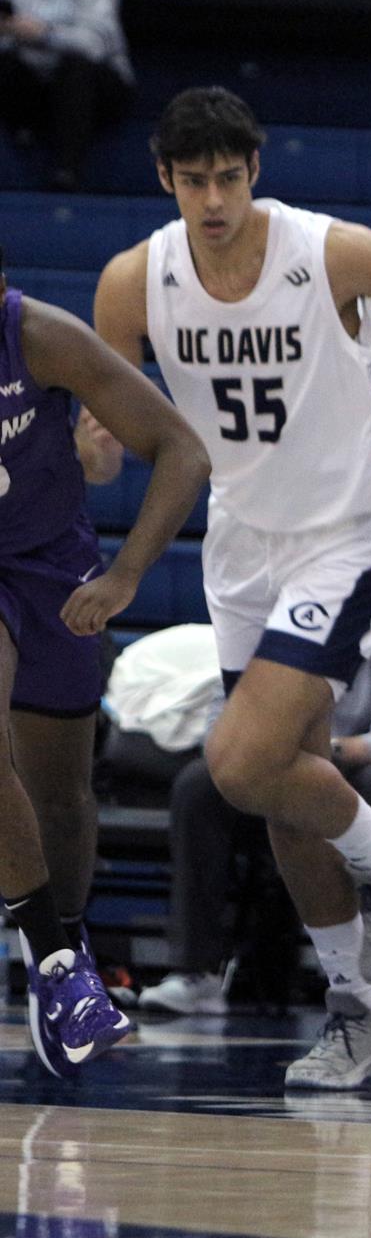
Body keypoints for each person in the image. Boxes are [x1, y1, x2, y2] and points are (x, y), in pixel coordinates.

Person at [91, 86, 371, 1089]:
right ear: (164, 178)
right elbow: (109, 428)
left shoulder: (326, 254)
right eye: (193, 181)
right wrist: (94, 445)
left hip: (352, 528)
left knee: (239, 759)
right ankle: (362, 1012)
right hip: (243, 538)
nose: (213, 201)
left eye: (227, 179)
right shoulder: (133, 281)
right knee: (286, 785)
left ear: (255, 171)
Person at [0, 258, 209, 1078]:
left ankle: (66, 944)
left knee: (62, 793)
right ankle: (56, 963)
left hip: (54, 571)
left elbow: (183, 449)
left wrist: (125, 576)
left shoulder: (41, 336)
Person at [143, 603, 371, 1017]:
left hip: (366, 772)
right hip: (279, 769)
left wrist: (316, 756)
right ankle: (196, 972)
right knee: (199, 785)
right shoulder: (258, 615)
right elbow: (218, 726)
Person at [0, 0, 134, 191]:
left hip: (92, 81)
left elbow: (96, 43)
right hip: (28, 77)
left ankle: (67, 171)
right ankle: (21, 131)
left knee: (75, 68)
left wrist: (46, 34)